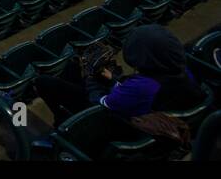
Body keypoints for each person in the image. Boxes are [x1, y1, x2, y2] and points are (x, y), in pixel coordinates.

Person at [35, 25, 206, 123]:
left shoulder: (143, 87)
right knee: (72, 67)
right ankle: (62, 116)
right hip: (144, 107)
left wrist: (90, 77)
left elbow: (99, 102)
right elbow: (136, 91)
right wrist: (113, 80)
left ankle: (63, 121)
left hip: (109, 118)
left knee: (44, 82)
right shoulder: (184, 71)